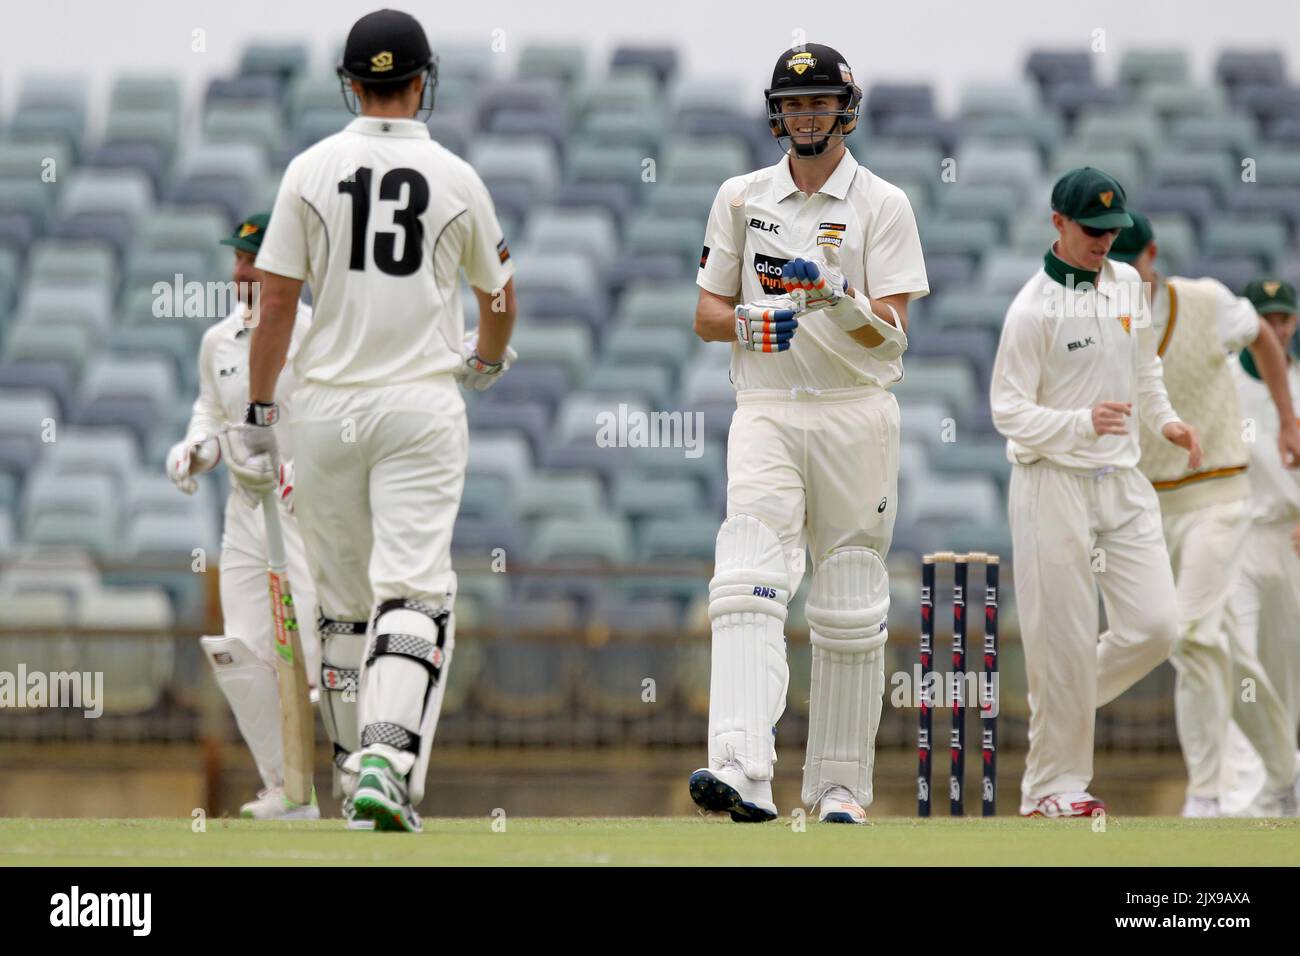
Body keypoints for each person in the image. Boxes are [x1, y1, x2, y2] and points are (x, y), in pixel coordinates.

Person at [222, 9, 518, 832]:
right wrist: (486, 360)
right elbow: (500, 299)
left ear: (352, 85)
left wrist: (255, 414)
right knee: (415, 591)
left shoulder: (309, 170)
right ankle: (385, 762)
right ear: (423, 83)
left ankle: (357, 773)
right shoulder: (457, 177)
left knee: (346, 609)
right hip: (419, 405)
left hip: (323, 412)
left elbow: (275, 302)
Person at [688, 43, 928, 824]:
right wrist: (752, 323)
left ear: (845, 109)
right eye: (793, 105)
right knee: (746, 571)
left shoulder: (882, 204)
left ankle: (839, 788)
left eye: (819, 103)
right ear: (776, 112)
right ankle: (740, 763)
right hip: (766, 410)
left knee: (852, 598)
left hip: (855, 410)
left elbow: (892, 340)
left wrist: (838, 298)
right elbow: (706, 316)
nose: (804, 116)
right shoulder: (740, 196)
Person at [990, 167, 1203, 817]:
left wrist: (1163, 418)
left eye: (1112, 231)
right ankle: (1052, 788)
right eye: (1092, 230)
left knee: (1156, 627)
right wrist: (1077, 424)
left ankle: (1059, 699)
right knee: (1064, 639)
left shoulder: (1129, 286)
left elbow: (1145, 367)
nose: (1104, 242)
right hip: (1051, 481)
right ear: (1058, 223)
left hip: (1123, 477)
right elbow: (1007, 411)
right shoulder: (1032, 311)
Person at [1108, 215, 1300, 817]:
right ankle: (1284, 773)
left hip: (1220, 499)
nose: (1118, 277)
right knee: (1211, 645)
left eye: (1128, 264)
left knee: (1193, 636)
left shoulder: (1207, 301)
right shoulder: (1094, 309)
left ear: (1153, 257)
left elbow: (1264, 340)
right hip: (1149, 505)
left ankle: (1208, 794)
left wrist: (1287, 417)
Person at [166, 211, 322, 820]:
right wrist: (196, 449)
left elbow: (329, 419)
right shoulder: (218, 341)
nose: (239, 272)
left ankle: (366, 770)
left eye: (251, 261)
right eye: (236, 260)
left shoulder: (315, 336)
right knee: (242, 651)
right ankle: (288, 790)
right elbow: (211, 411)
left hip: (302, 512)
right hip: (245, 513)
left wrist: (300, 471)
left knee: (314, 649)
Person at [1222, 277, 1300, 817]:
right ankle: (1235, 799)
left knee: (1285, 670)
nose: (1275, 328)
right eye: (1265, 318)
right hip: (1236, 535)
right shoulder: (1221, 380)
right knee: (1236, 661)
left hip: (1290, 539)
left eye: (1283, 318)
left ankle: (1281, 791)